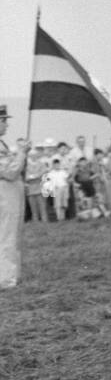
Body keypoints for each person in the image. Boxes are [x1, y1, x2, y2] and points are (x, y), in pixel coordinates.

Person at [0, 106, 29, 288]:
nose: (7, 125)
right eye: (3, 121)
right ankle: (6, 279)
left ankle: (11, 275)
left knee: (11, 234)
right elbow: (10, 172)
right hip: (4, 194)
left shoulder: (2, 145)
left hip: (10, 193)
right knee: (7, 235)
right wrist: (21, 152)